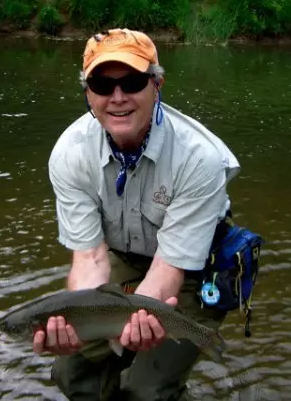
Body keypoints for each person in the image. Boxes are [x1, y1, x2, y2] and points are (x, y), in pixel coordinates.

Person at [33, 28, 240, 401]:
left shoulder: (199, 158)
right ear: (87, 93)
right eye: (101, 84)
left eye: (131, 82)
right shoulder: (69, 155)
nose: (117, 98)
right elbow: (91, 259)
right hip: (123, 257)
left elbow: (168, 270)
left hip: (193, 267)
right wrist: (80, 327)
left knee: (147, 390)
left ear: (156, 84)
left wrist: (134, 323)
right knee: (71, 372)